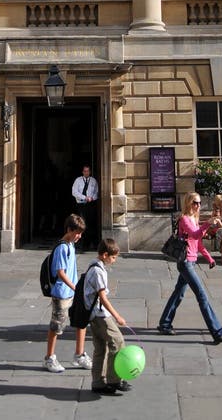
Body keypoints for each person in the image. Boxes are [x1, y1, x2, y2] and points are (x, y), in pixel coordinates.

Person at [157, 192, 222, 344]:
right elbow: (196, 235)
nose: (197, 205)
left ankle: (164, 323)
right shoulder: (184, 219)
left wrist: (209, 258)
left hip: (190, 261)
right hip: (185, 263)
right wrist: (209, 222)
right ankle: (217, 332)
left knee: (178, 294)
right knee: (202, 296)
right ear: (188, 204)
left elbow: (198, 243)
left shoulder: (194, 219)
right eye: (194, 203)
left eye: (199, 203)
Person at [44, 213, 92, 373]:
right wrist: (75, 287)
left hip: (72, 291)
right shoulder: (62, 247)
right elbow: (60, 272)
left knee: (81, 321)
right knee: (56, 326)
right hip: (62, 293)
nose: (79, 236)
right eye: (77, 232)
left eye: (81, 233)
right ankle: (49, 358)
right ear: (69, 229)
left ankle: (79, 354)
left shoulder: (71, 245)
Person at [84, 237, 130, 396]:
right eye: (113, 257)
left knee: (100, 348)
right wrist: (117, 317)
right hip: (99, 314)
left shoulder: (94, 265)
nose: (114, 260)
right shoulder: (98, 271)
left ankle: (97, 382)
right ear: (104, 255)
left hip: (92, 314)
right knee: (117, 341)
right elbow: (103, 297)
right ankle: (114, 379)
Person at [72, 165, 99, 250]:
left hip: (90, 205)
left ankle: (91, 243)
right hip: (81, 205)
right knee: (81, 224)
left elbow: (96, 192)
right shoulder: (78, 180)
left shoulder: (93, 181)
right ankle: (82, 244)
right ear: (82, 172)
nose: (86, 173)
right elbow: (74, 192)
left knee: (91, 224)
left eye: (88, 171)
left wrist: (92, 198)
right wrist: (84, 197)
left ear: (90, 172)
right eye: (85, 171)